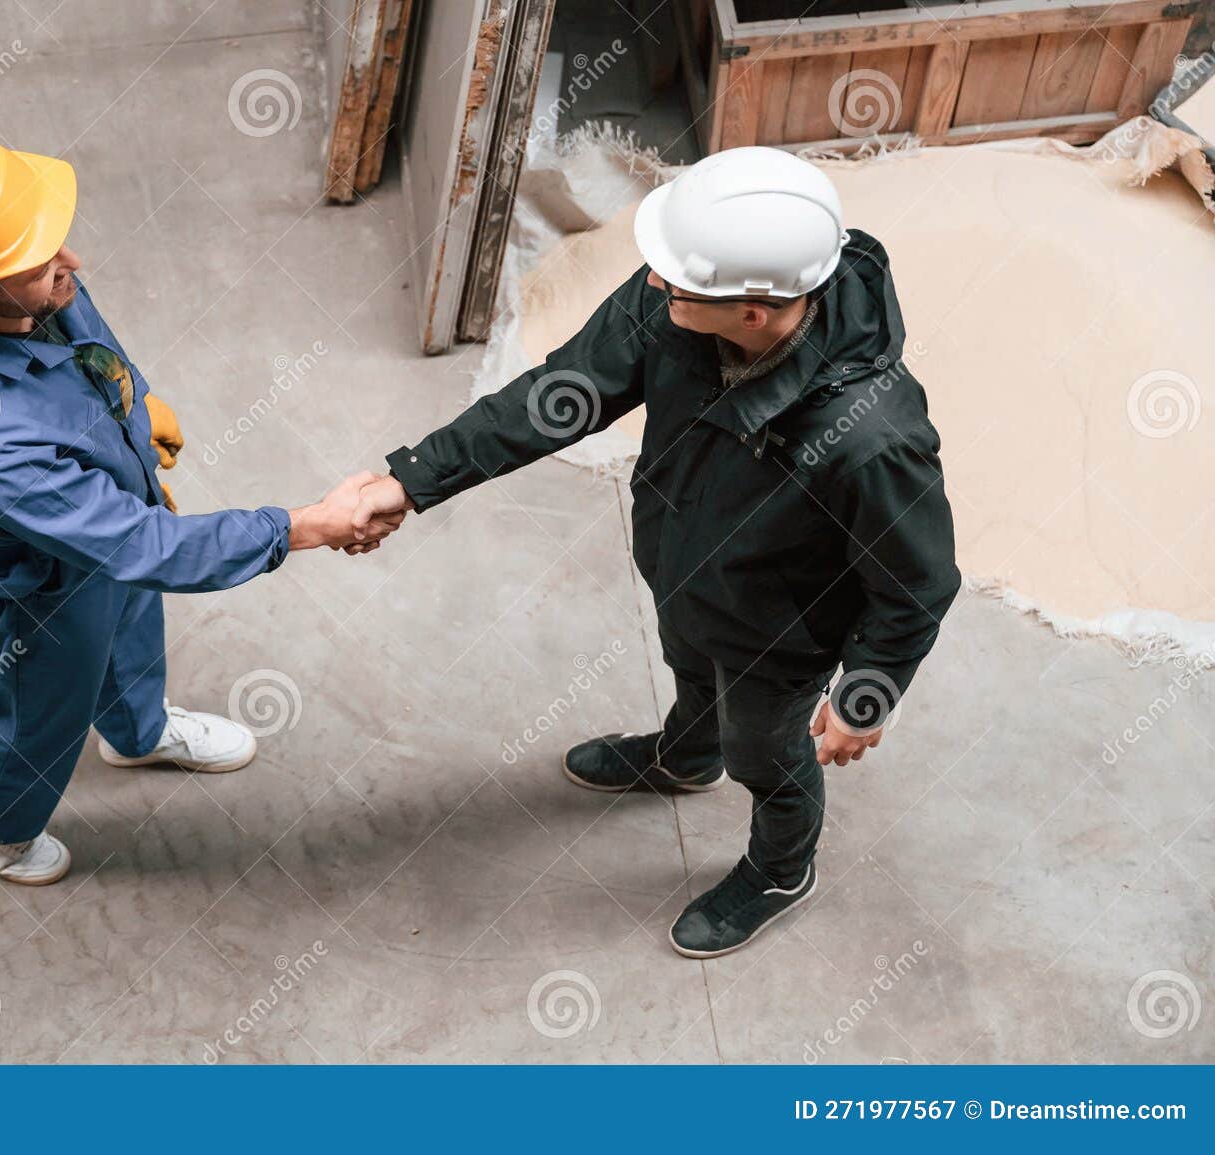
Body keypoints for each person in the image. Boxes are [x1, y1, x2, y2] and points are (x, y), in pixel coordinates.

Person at [353, 147, 959, 958]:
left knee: (767, 750)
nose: (651, 282)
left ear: (754, 312)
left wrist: (867, 694)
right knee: (689, 669)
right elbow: (556, 394)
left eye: (676, 281)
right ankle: (685, 756)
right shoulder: (677, 303)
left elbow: (917, 584)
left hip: (781, 636)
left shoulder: (872, 439)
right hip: (685, 571)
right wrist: (413, 479)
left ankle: (782, 867)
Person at [0, 138, 400, 886]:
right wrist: (306, 524)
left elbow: (90, 337)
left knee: (129, 625)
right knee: (41, 698)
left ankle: (136, 729)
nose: (73, 264)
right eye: (45, 263)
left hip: (95, 515)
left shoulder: (21, 281)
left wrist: (133, 402)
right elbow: (149, 547)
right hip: (40, 584)